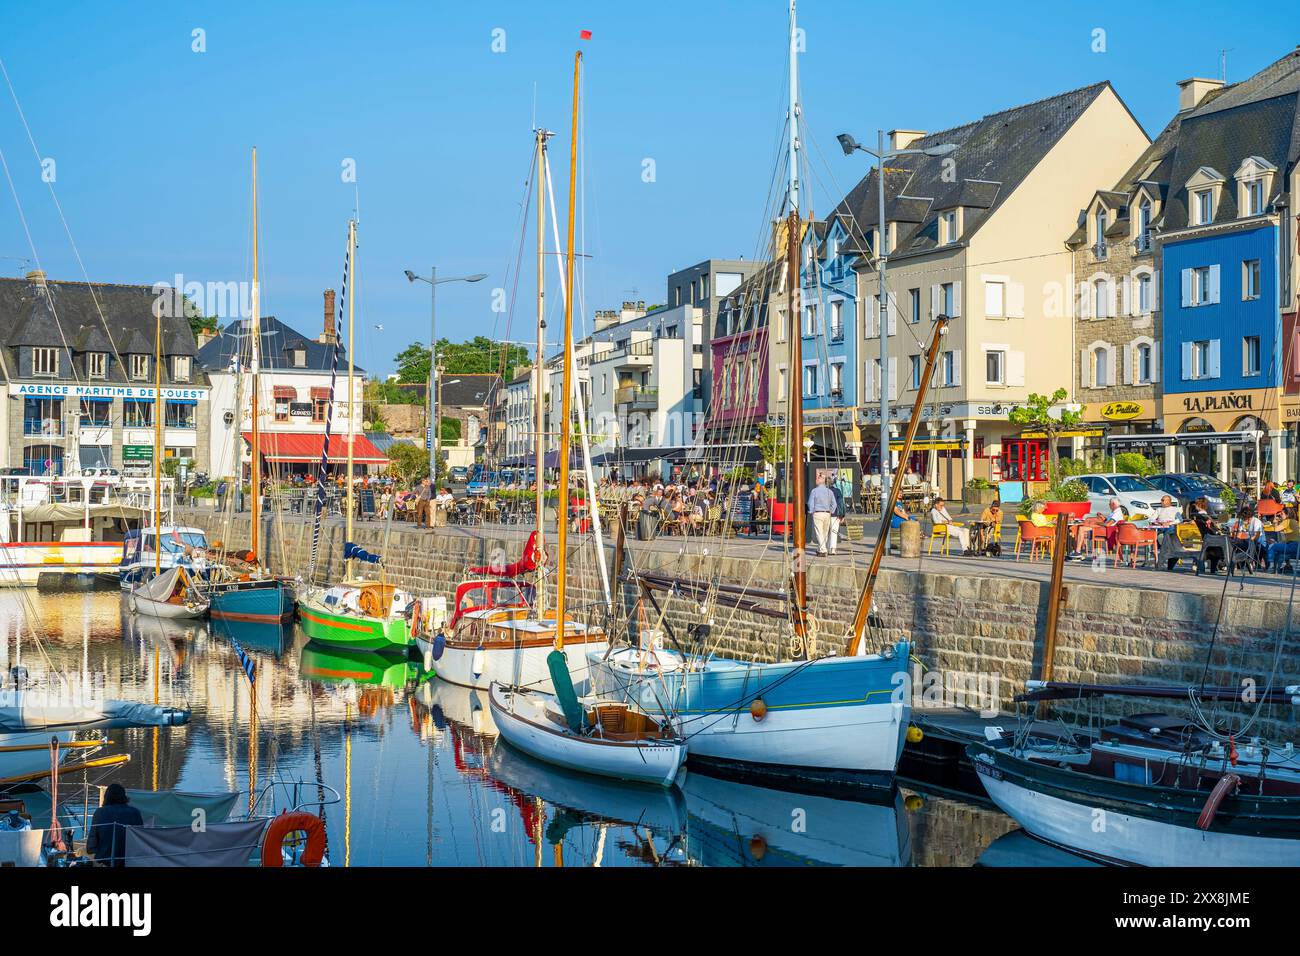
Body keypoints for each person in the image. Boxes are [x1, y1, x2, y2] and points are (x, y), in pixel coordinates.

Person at [86, 783, 143, 867]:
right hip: (130, 861)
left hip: (105, 861)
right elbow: (140, 840)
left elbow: (91, 847)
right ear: (124, 796)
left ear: (107, 796)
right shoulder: (135, 813)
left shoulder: (100, 813)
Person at [808, 475, 837, 556]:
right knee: (824, 532)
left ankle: (823, 550)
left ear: (821, 480)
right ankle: (820, 549)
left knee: (819, 532)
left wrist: (811, 511)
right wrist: (831, 511)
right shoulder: (830, 491)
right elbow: (834, 504)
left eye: (817, 478)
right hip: (827, 513)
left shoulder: (814, 491)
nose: (816, 479)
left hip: (818, 513)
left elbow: (810, 503)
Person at [1267, 504, 1300, 572]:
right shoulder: (1295, 521)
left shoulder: (1287, 521)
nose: (1280, 515)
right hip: (1297, 546)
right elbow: (1290, 538)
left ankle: (1271, 565)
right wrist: (1277, 543)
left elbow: (1276, 529)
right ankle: (1286, 566)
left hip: (1292, 546)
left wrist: (1275, 522)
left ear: (1287, 515)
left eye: (1282, 514)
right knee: (1277, 547)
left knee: (1272, 546)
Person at [828, 476, 847, 556]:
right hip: (835, 514)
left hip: (825, 513)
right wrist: (842, 515)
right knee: (834, 532)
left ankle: (825, 548)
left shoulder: (824, 491)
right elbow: (841, 503)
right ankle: (832, 549)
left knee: (825, 532)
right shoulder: (837, 491)